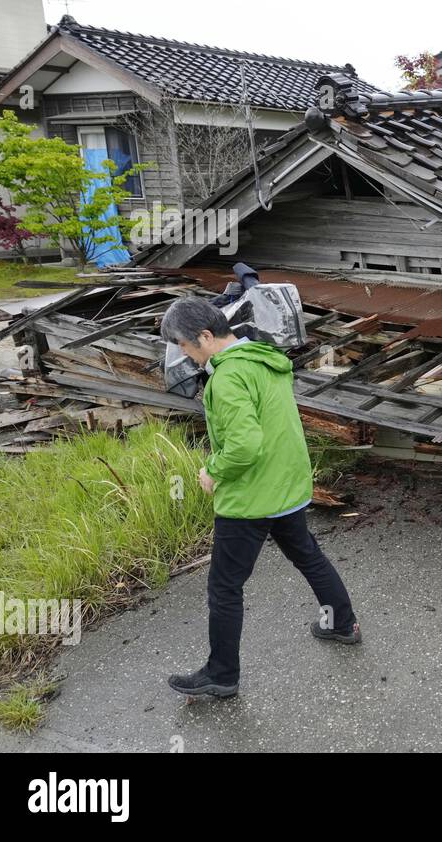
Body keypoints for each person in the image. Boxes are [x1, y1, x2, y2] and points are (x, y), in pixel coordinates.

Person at [160, 297, 360, 699]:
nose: (182, 353)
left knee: (224, 588)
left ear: (204, 336)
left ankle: (221, 674)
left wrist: (212, 471)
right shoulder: (265, 359)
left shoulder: (228, 377)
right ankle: (342, 625)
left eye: (183, 344)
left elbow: (245, 445)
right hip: (287, 486)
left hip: (252, 498)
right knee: (308, 556)